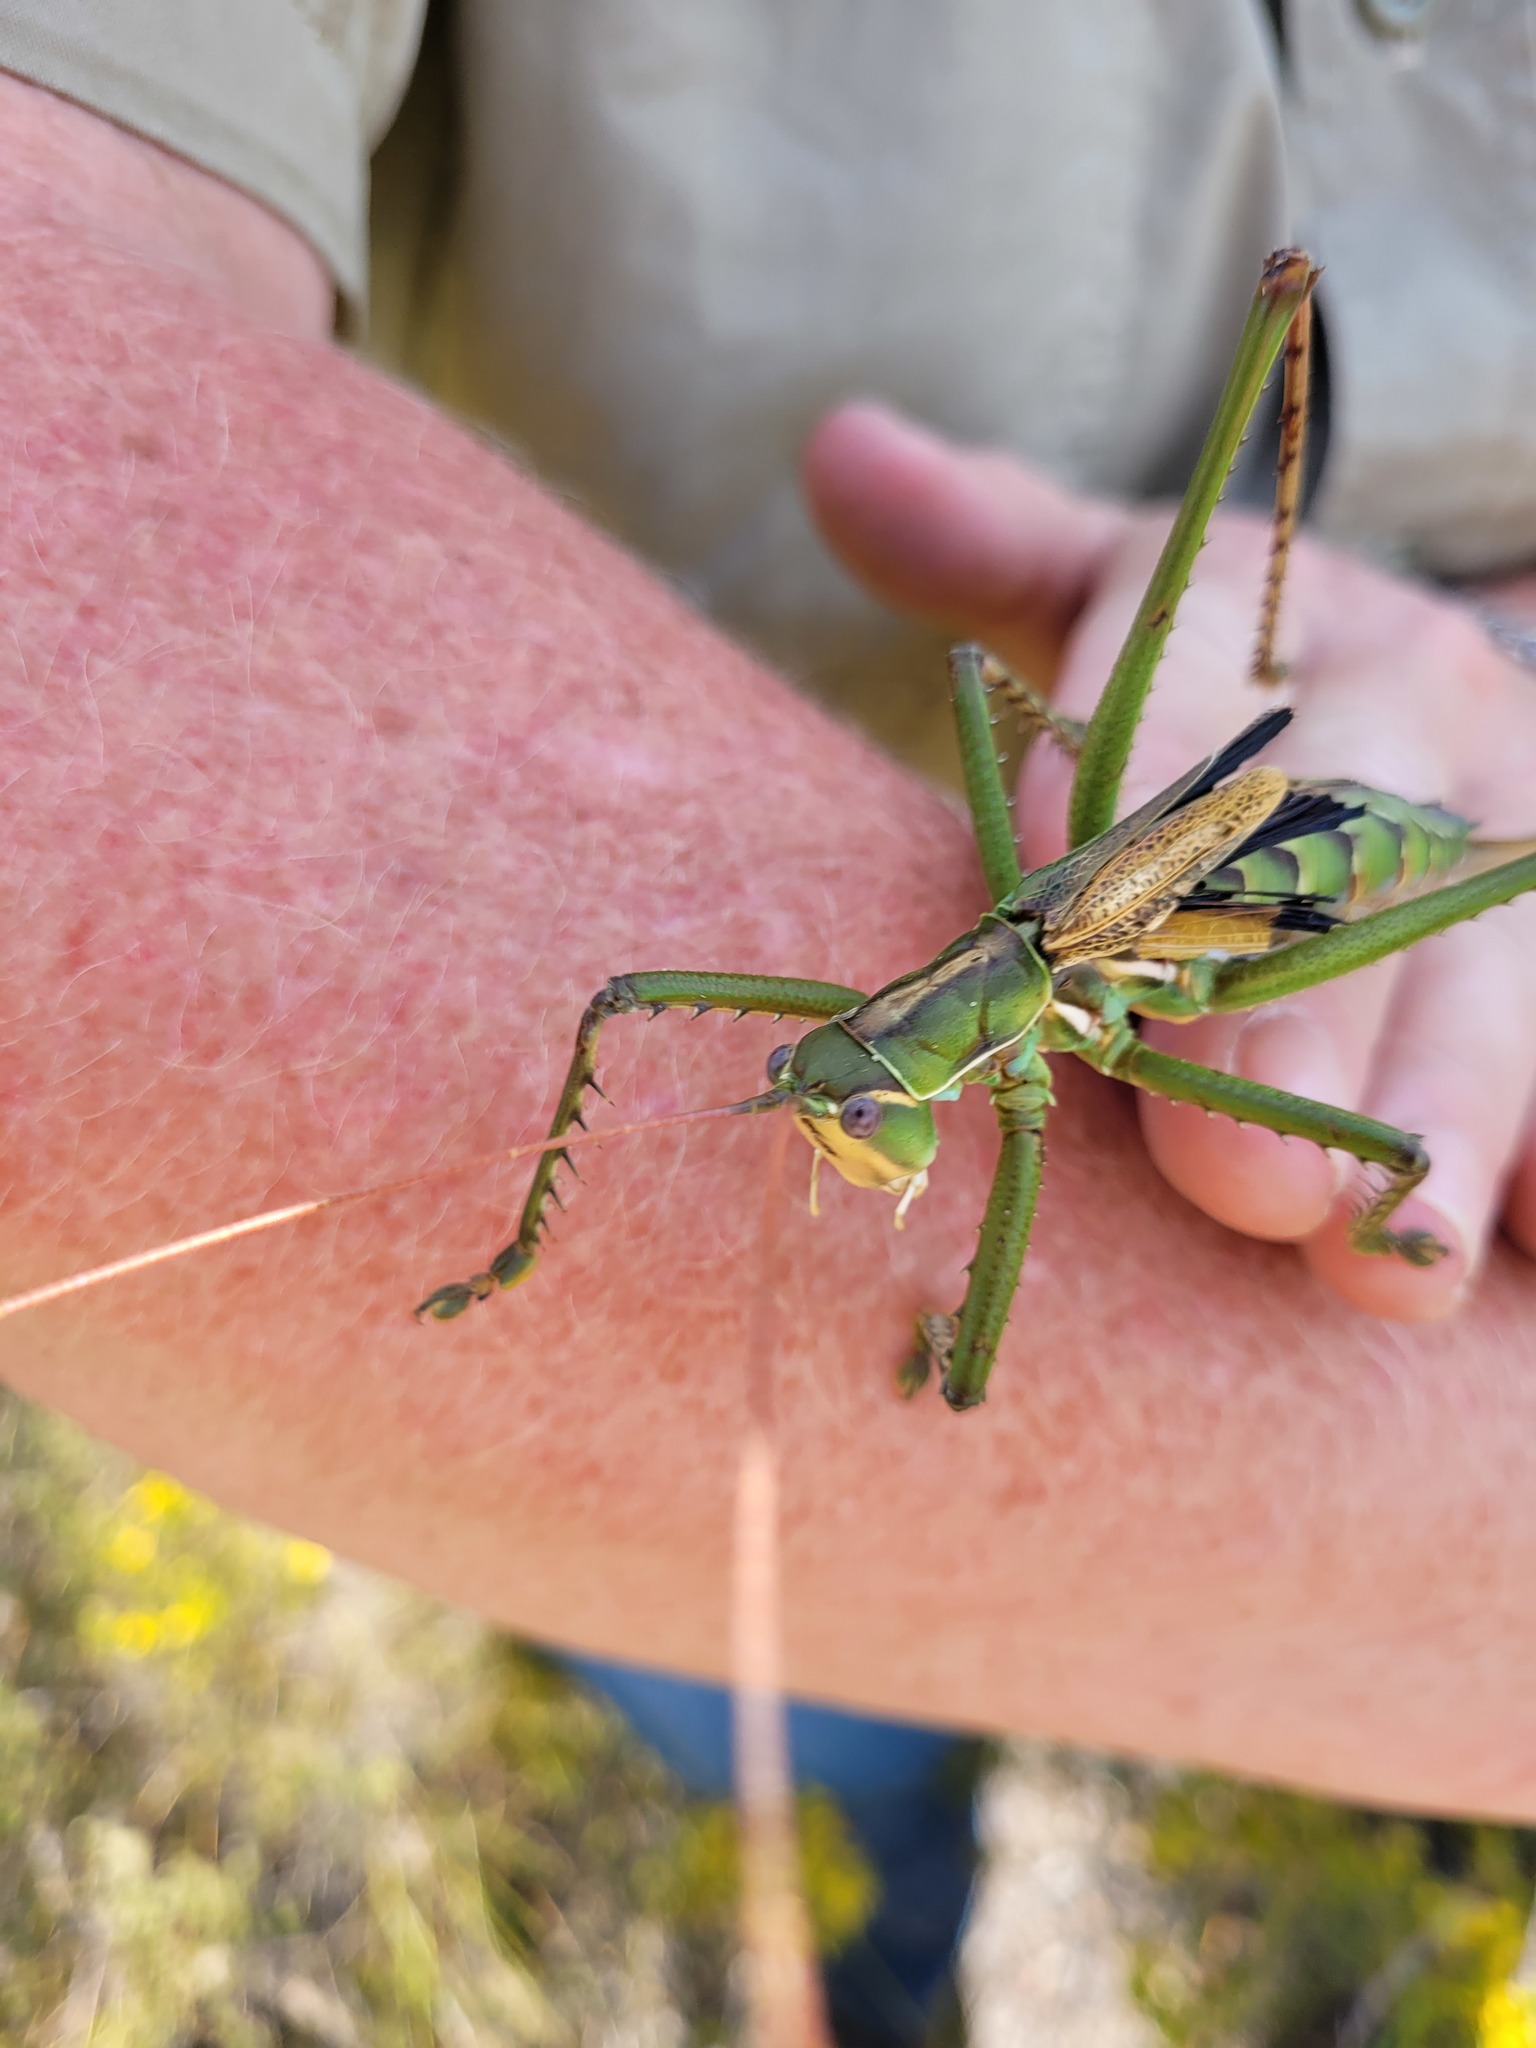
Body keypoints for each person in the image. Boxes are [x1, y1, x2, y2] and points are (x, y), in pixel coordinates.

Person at [1, 11, 1535, 2041]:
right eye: (858, 1073)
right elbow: (637, 992)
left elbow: (1007, 781)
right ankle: (901, 1873)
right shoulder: (853, 1027)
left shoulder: (1062, 1049)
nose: (858, 1097)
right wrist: (537, 1231)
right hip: (1165, 827)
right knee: (806, 1721)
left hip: (1282, 878)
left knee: (1357, 1150)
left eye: (859, 1078)